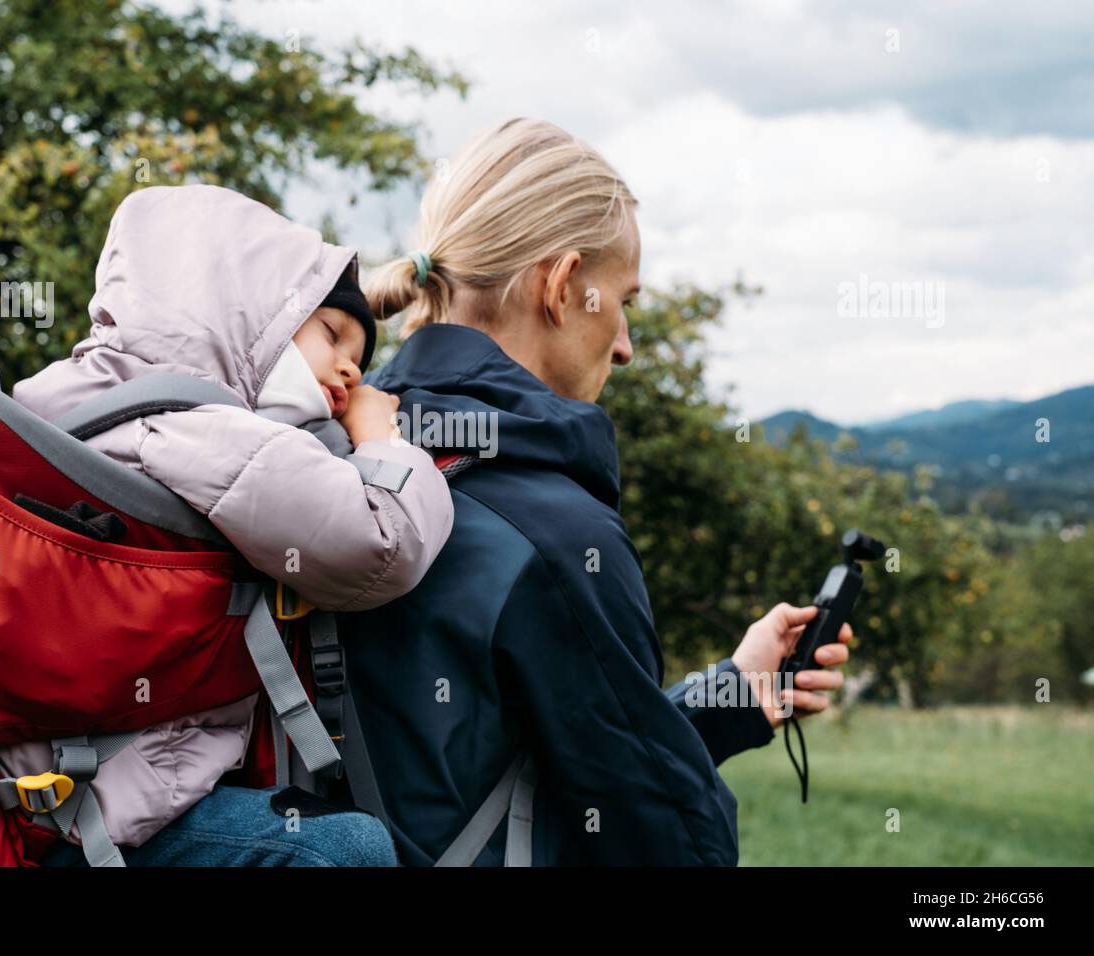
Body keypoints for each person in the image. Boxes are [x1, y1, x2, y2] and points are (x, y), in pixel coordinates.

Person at [337, 118, 853, 865]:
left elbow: (500, 771)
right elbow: (665, 839)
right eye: (624, 302)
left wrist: (733, 693)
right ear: (559, 286)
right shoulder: (556, 535)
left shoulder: (339, 453)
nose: (624, 346)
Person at [14, 184, 455, 866]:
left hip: (33, 783)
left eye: (361, 360)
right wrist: (382, 440)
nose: (348, 368)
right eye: (332, 335)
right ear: (242, 312)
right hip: (106, 811)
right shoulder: (197, 428)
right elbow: (382, 544)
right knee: (347, 850)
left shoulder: (62, 396)